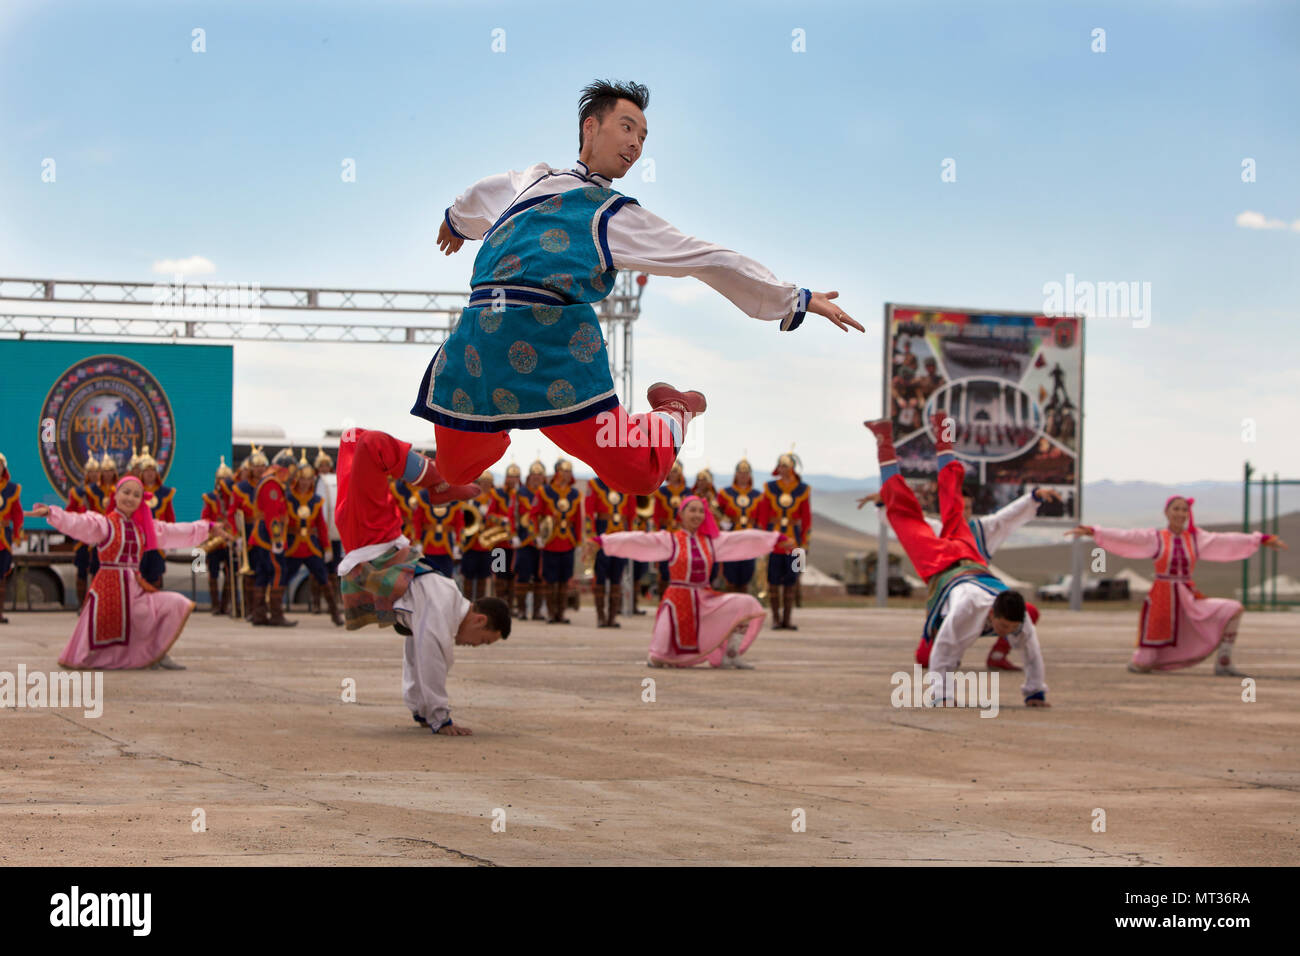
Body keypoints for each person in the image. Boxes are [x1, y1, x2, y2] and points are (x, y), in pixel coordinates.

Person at [413, 78, 862, 497]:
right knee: (454, 471)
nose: (636, 144)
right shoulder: (529, 181)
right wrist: (455, 222)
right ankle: (500, 423)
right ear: (591, 127)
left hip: (555, 353)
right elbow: (477, 196)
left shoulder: (613, 215)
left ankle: (676, 410)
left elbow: (705, 256)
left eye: (644, 138)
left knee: (640, 475)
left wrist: (795, 297)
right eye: (627, 128)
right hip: (480, 344)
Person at [864, 414, 1050, 707]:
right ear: (992, 614)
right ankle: (888, 440)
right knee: (906, 513)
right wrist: (942, 696)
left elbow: (1032, 653)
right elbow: (946, 649)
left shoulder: (1018, 619)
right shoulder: (967, 608)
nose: (1005, 633)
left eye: (1007, 630)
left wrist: (1036, 692)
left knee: (948, 498)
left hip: (968, 556)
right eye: (1002, 628)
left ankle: (939, 431)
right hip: (942, 564)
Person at [334, 427, 507, 736]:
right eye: (482, 641)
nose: (472, 645)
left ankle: (439, 481)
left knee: (352, 439)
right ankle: (441, 481)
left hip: (366, 542)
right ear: (480, 620)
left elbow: (414, 655)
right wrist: (441, 718)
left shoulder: (444, 602)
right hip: (376, 538)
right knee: (371, 445)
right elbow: (429, 659)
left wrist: (421, 710)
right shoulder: (444, 601)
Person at [1066, 498, 1287, 676]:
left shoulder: (1196, 538)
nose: (1181, 513)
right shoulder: (1155, 538)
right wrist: (1096, 531)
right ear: (1167, 512)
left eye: (1184, 509)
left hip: (1188, 596)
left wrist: (1260, 539)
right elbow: (1128, 537)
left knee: (1233, 608)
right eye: (1176, 509)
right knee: (1144, 663)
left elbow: (1226, 540)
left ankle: (1224, 662)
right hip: (1163, 597)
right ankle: (1149, 660)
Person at [27, 478, 231, 669]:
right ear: (115, 495)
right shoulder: (104, 524)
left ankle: (155, 653)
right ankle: (143, 655)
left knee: (171, 604)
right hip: (108, 588)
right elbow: (78, 522)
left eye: (136, 495)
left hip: (134, 586)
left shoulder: (144, 528)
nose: (130, 498)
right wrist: (51, 513)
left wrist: (209, 527)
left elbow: (175, 531)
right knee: (102, 637)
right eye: (126, 492)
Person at [860, 477, 1058, 671]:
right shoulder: (936, 530)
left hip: (981, 602)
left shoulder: (981, 530)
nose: (964, 513)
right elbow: (907, 523)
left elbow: (1005, 518)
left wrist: (1033, 498)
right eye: (959, 508)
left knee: (1027, 612)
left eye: (969, 508)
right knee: (924, 660)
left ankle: (997, 656)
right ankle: (948, 657)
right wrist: (883, 505)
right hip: (947, 603)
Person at [595, 496, 788, 668]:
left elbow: (742, 539)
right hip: (677, 600)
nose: (697, 515)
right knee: (658, 656)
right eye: (692, 510)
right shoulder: (669, 540)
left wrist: (776, 538)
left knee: (747, 603)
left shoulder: (713, 541)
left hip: (705, 599)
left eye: (700, 511)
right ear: (682, 514)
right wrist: (602, 541)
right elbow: (637, 540)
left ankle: (730, 655)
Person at [285, 451, 343, 626]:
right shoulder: (288, 499)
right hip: (294, 546)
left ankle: (335, 614)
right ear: (298, 480)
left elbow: (322, 527)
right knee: (282, 578)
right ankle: (273, 612)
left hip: (311, 546)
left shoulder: (316, 500)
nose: (305, 482)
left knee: (324, 578)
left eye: (309, 479)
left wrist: (326, 548)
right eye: (303, 479)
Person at [757, 452, 811, 630]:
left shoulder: (802, 489)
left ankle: (787, 620)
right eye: (780, 466)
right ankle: (775, 619)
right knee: (773, 583)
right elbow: (763, 516)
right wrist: (763, 539)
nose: (782, 469)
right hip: (775, 544)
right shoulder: (770, 488)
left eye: (785, 466)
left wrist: (805, 543)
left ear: (792, 468)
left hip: (794, 544)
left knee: (791, 582)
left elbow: (806, 518)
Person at [532, 458, 583, 624]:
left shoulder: (574, 494)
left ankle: (561, 614)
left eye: (569, 471)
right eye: (564, 471)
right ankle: (551, 613)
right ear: (557, 473)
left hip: (567, 541)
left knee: (563, 579)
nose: (567, 474)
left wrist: (578, 540)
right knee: (550, 579)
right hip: (550, 542)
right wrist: (538, 535)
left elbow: (577, 520)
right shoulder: (544, 491)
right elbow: (534, 514)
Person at [585, 475, 636, 627]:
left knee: (617, 577)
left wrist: (632, 535)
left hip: (621, 537)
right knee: (600, 577)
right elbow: (589, 512)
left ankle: (612, 617)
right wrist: (591, 536)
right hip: (602, 535)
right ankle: (601, 616)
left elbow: (632, 514)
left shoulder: (628, 484)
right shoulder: (594, 484)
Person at [717, 457, 763, 594]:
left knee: (745, 577)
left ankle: (742, 608)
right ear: (735, 474)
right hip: (731, 541)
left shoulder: (758, 496)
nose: (743, 476)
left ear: (750, 475)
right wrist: (723, 523)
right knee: (730, 577)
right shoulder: (725, 494)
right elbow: (718, 515)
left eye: (746, 473)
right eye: (740, 472)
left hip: (749, 542)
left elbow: (761, 520)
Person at [199, 456, 237, 616]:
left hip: (229, 541)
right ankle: (215, 605)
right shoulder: (210, 497)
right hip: (215, 541)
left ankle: (225, 605)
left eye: (226, 479)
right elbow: (204, 518)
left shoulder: (235, 498)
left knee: (230, 573)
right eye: (220, 479)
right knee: (212, 572)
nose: (223, 482)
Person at [136, 445, 175, 589]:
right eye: (147, 471)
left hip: (158, 541)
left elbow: (170, 518)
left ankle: (156, 608)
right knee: (139, 576)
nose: (150, 474)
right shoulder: (136, 491)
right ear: (142, 473)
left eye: (152, 470)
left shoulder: (164, 493)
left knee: (156, 576)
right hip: (140, 541)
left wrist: (169, 539)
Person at [511, 459, 546, 620]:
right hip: (524, 539)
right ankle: (522, 610)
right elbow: (513, 515)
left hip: (543, 541)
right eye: (534, 475)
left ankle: (537, 611)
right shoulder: (520, 493)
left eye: (539, 475)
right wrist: (513, 534)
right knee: (523, 575)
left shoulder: (547, 492)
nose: (536, 478)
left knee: (540, 576)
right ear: (529, 476)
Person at [67, 453, 101, 607]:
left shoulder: (104, 493)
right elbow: (69, 513)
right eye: (91, 472)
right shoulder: (78, 493)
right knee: (82, 571)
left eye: (96, 472)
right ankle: (82, 605)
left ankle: (94, 604)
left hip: (99, 538)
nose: (94, 475)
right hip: (82, 538)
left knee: (97, 572)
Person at [652, 461, 688, 597]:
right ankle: (664, 599)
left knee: (681, 565)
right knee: (665, 567)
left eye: (676, 472)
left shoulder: (688, 492)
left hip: (682, 534)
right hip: (666, 533)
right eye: (671, 472)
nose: (673, 475)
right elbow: (656, 515)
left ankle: (681, 598)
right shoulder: (662, 491)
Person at [412, 490, 462, 578]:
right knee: (426, 579)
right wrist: (417, 541)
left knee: (446, 579)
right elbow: (417, 521)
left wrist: (458, 543)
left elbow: (459, 523)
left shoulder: (455, 496)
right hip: (427, 546)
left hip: (447, 547)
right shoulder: (423, 496)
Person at [0, 453, 23, 624]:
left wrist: (16, 533)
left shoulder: (12, 489)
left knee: (2, 578)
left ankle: (0, 613)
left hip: (3, 540)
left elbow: (17, 514)